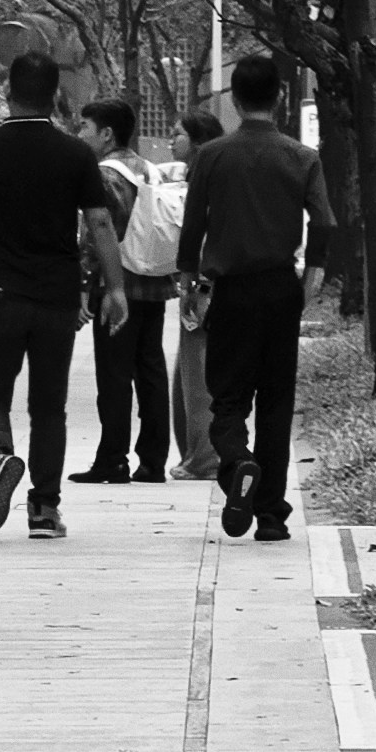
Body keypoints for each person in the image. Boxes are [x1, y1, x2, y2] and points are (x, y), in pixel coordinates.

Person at [0, 46, 129, 536]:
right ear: (56, 95)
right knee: (48, 406)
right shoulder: (76, 153)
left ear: (6, 92)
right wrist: (117, 288)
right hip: (57, 297)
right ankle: (44, 509)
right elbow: (100, 221)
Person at [177, 48, 326, 542]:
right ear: (279, 98)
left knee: (228, 399)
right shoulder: (302, 157)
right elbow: (324, 221)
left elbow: (194, 224)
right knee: (277, 402)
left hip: (231, 293)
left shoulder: (212, 156)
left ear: (235, 101)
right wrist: (315, 274)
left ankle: (237, 463)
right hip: (281, 290)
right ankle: (270, 516)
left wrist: (189, 285)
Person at [75, 97, 176, 485]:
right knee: (150, 371)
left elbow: (98, 234)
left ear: (106, 133)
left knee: (114, 374)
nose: (80, 134)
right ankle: (153, 461)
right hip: (153, 282)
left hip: (117, 287)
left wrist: (88, 285)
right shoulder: (150, 170)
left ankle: (112, 459)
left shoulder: (103, 174)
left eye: (85, 127)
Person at [167, 107, 222, 478]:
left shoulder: (205, 173)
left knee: (197, 372)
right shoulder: (224, 169)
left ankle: (203, 458)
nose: (172, 140)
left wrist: (188, 281)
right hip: (218, 280)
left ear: (198, 140)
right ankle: (195, 453)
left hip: (204, 283)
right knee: (189, 371)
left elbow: (194, 230)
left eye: (178, 134)